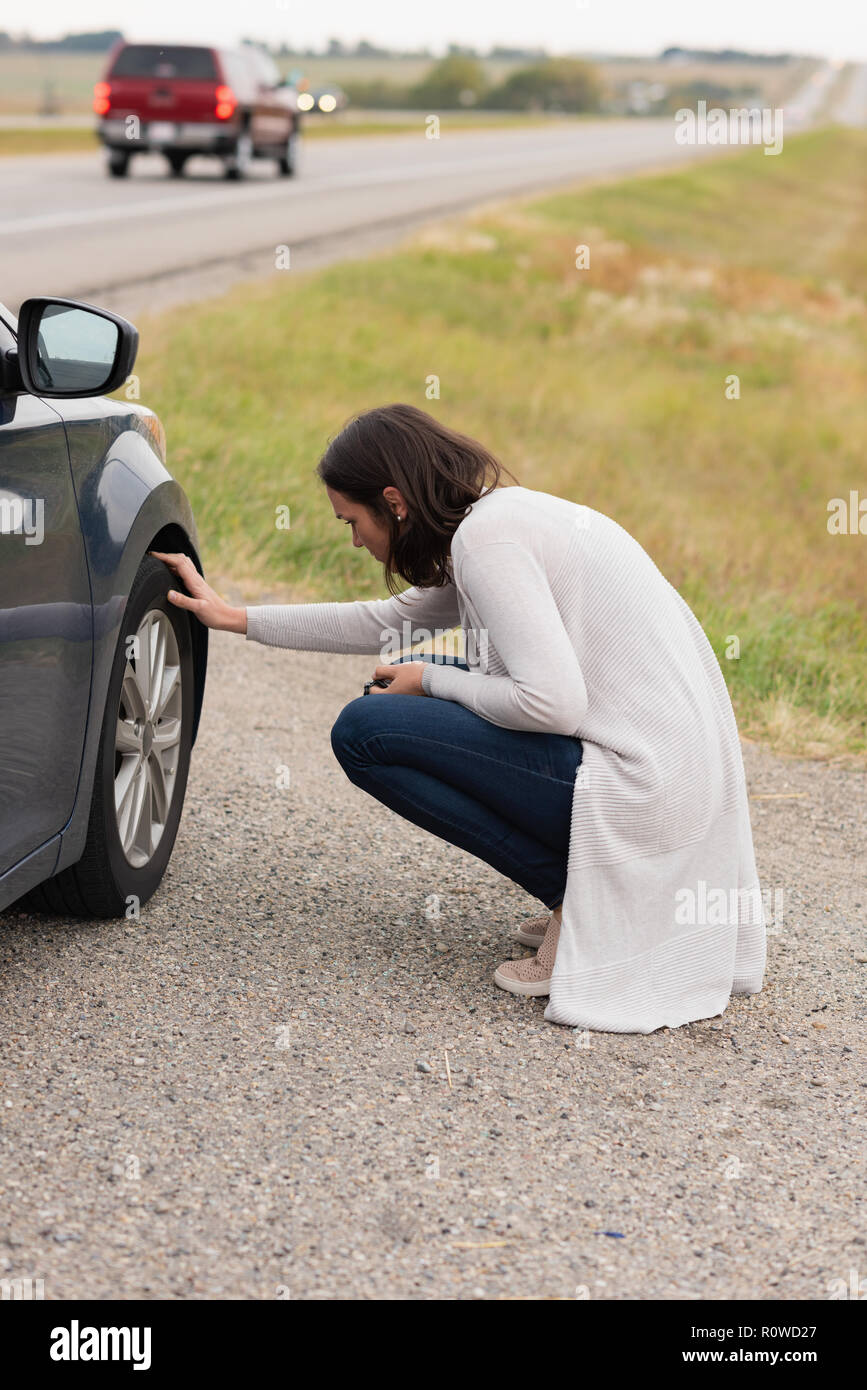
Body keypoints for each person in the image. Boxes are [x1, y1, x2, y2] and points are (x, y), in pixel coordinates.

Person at [152, 402, 766, 1033]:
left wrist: (434, 680)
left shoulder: (487, 542)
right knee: (401, 705)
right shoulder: (499, 522)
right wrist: (235, 617)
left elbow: (553, 703)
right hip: (670, 781)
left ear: (393, 501)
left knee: (367, 732)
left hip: (641, 789)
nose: (355, 539)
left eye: (352, 520)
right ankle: (586, 891)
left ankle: (577, 898)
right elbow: (388, 621)